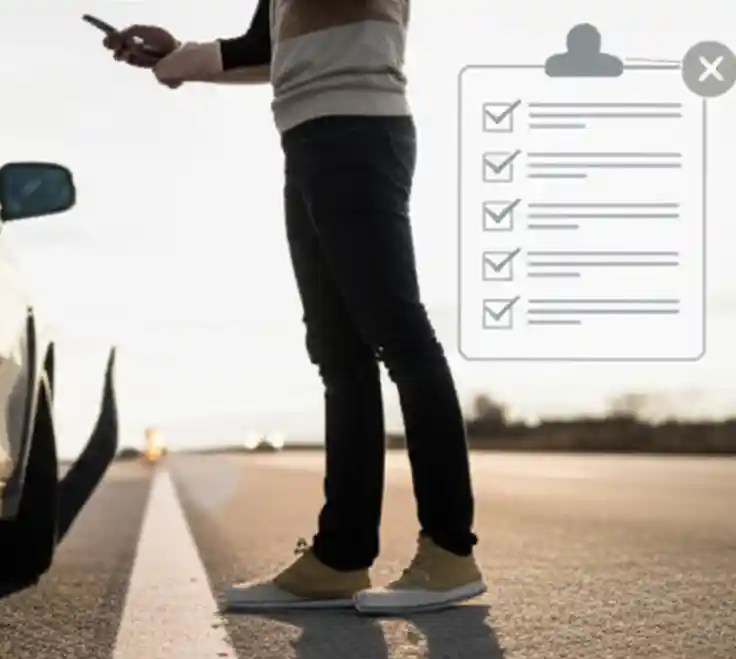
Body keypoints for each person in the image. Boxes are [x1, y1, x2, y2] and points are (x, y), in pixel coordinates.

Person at [102, 1, 486, 615]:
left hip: (358, 131)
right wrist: (175, 57)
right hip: (308, 137)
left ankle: (449, 550)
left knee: (400, 335)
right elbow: (265, 46)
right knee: (338, 353)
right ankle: (341, 556)